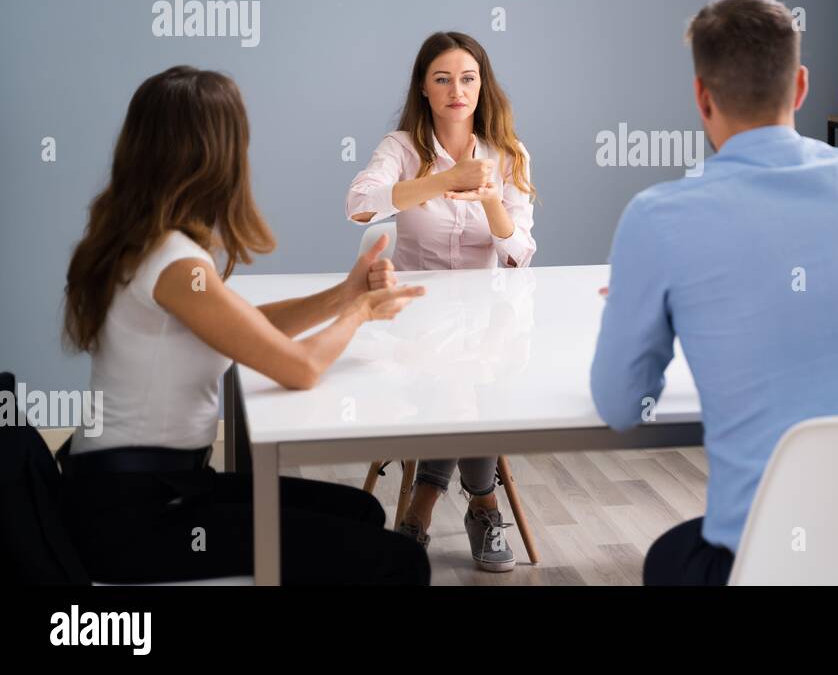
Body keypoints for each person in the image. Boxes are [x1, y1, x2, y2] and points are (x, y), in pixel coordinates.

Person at [590, 0, 838, 585]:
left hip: (773, 562)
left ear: (701, 96)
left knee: (669, 558)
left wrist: (646, 308)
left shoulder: (659, 216)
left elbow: (621, 408)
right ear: (799, 86)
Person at [60, 66, 430, 585]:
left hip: (140, 494)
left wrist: (345, 293)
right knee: (401, 562)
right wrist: (361, 313)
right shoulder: (175, 261)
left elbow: (241, 325)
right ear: (213, 155)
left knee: (361, 514)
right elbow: (300, 370)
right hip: (138, 519)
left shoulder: (144, 241)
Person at [347, 31, 536, 571]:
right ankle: (483, 504)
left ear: (482, 86)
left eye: (469, 78)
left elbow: (519, 256)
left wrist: (492, 200)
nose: (458, 89)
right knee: (465, 373)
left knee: (475, 365)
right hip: (412, 312)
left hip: (486, 314)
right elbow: (359, 206)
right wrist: (442, 181)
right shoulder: (401, 148)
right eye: (443, 78)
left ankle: (421, 507)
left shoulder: (508, 153)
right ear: (424, 90)